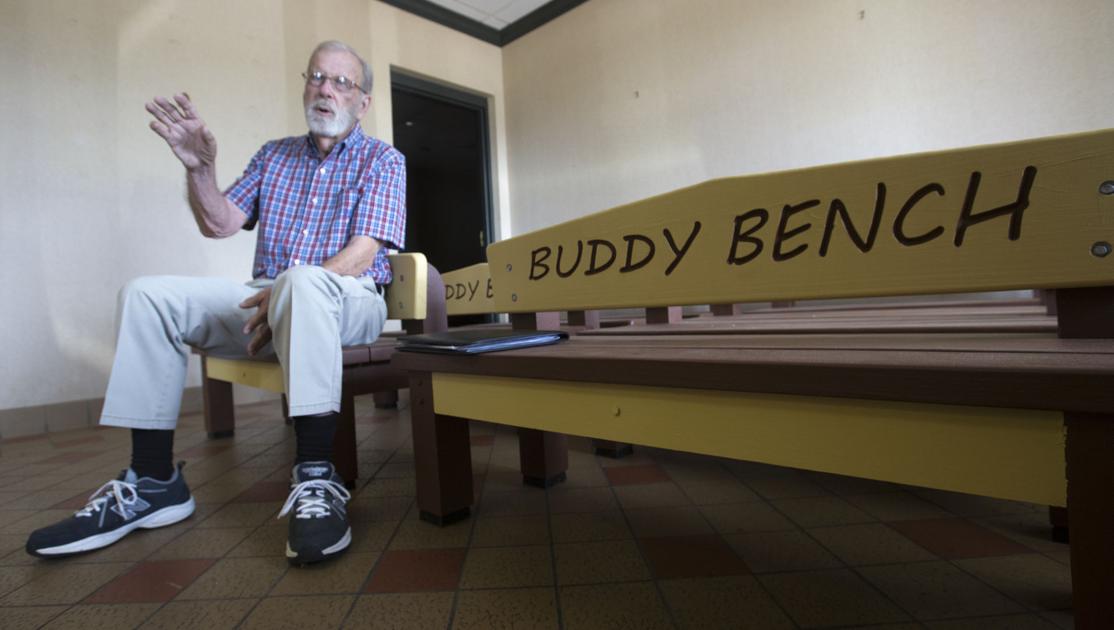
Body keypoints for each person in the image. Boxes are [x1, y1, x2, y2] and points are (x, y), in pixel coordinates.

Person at [25, 40, 405, 565]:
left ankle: (318, 476)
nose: (325, 88)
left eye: (341, 81)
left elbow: (364, 253)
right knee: (149, 295)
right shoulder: (274, 154)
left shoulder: (383, 158)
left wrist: (293, 290)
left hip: (349, 298)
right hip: (269, 303)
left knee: (301, 281)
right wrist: (199, 169)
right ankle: (154, 481)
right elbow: (220, 222)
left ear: (362, 102)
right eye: (316, 76)